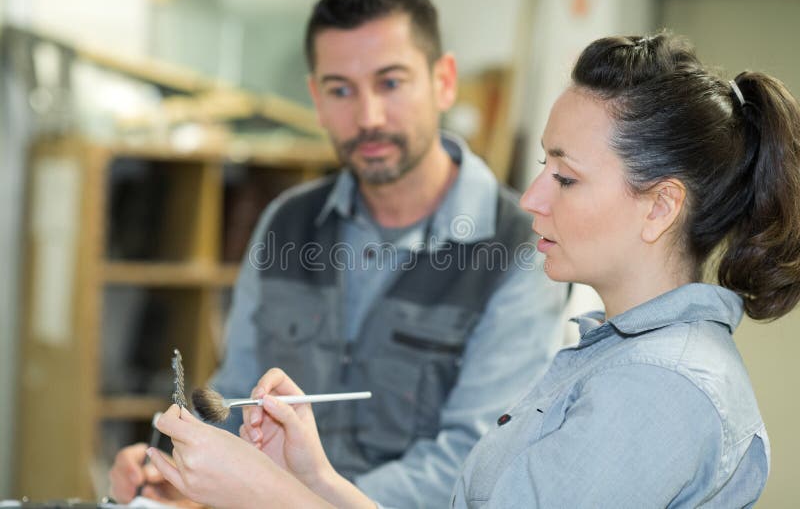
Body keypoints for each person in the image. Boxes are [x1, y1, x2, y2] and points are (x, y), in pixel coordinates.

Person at [143, 30, 800, 508]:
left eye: (566, 177)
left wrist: (267, 497)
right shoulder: (612, 356)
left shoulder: (661, 389)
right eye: (544, 167)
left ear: (659, 206)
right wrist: (315, 479)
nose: (535, 198)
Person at [108, 0, 567, 507]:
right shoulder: (287, 223)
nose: (368, 116)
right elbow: (233, 389)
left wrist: (283, 497)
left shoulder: (518, 246)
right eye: (341, 90)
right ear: (316, 99)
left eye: (390, 83)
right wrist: (177, 468)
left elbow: (475, 461)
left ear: (443, 81)